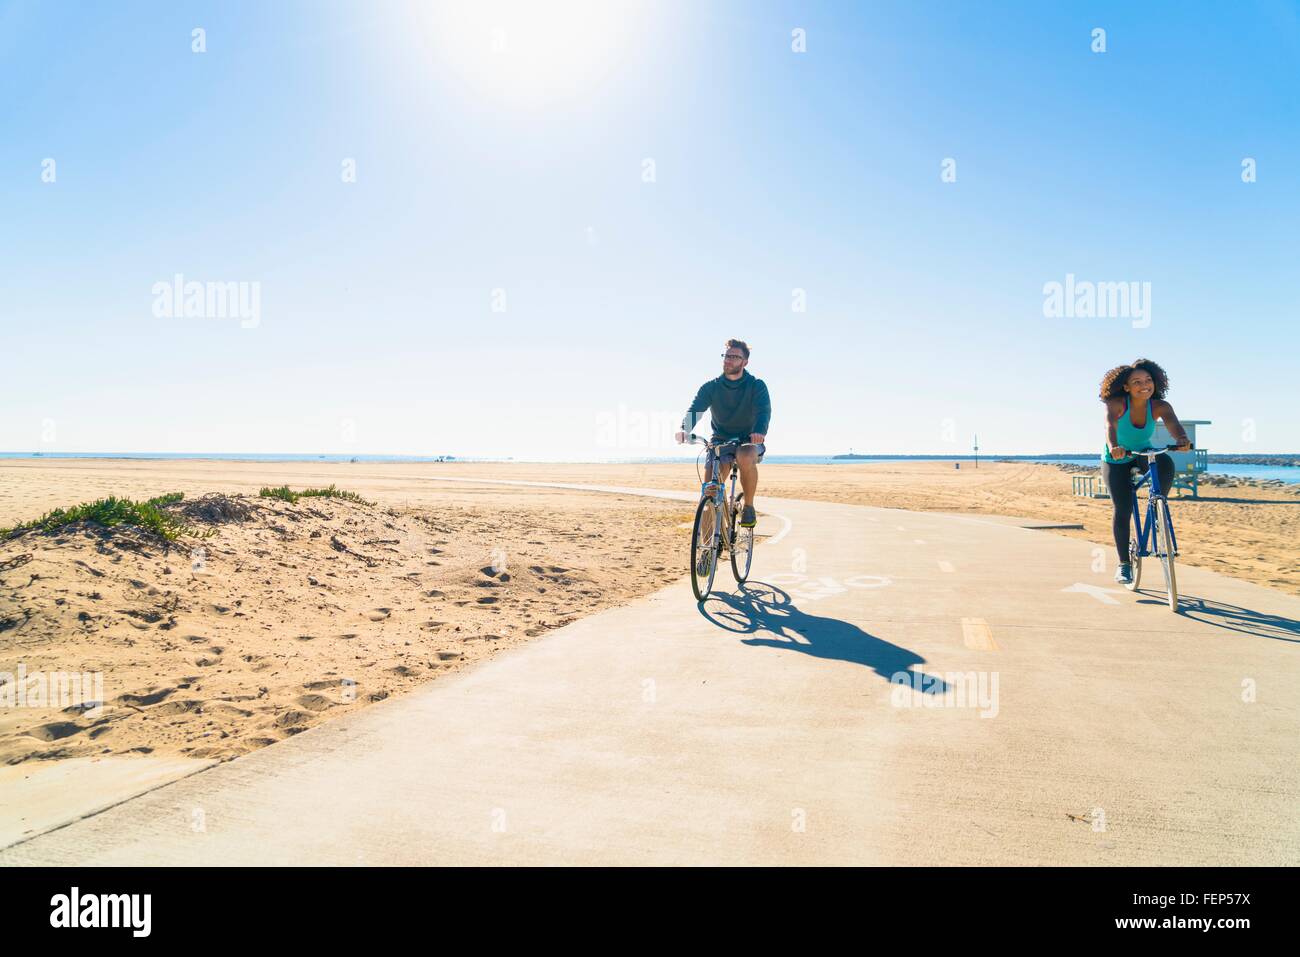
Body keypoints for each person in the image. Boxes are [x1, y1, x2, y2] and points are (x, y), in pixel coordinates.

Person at [1100, 358, 1192, 584]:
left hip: (1143, 453)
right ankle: (1124, 565)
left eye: (1148, 380)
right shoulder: (1117, 404)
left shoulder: (1160, 406)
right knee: (1123, 509)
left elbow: (1173, 425)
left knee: (1165, 464)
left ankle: (1158, 505)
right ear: (1126, 387)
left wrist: (1181, 439)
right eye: (1137, 381)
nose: (1145, 385)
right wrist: (1114, 447)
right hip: (1117, 459)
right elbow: (1110, 426)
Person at [675, 339, 771, 527]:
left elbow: (763, 411)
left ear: (745, 362)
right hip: (720, 442)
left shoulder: (756, 386)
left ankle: (749, 506)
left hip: (749, 441)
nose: (729, 360)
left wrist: (759, 431)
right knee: (708, 494)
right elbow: (696, 410)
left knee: (745, 455)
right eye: (727, 356)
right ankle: (706, 552)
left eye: (735, 357)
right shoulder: (711, 387)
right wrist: (684, 429)